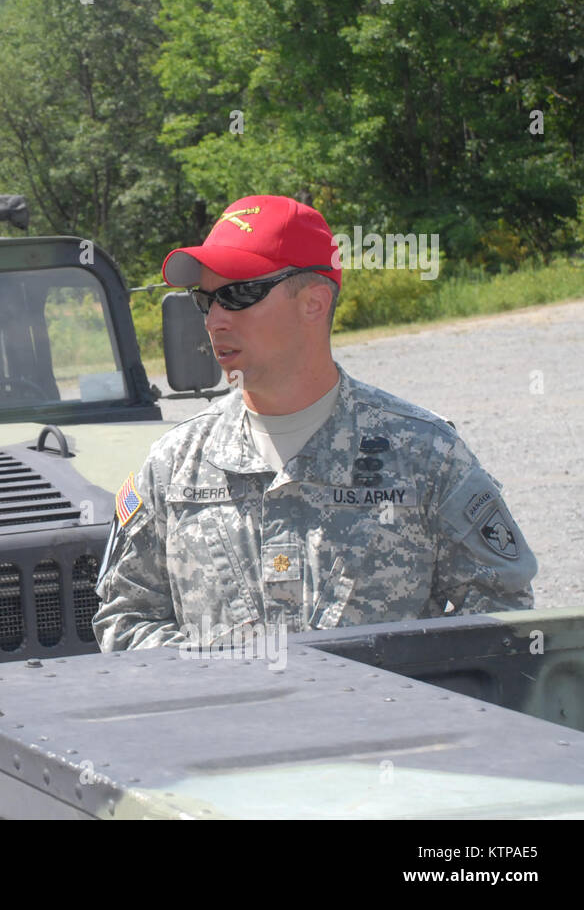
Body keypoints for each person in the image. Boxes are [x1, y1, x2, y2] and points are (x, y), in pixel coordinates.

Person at [94, 194, 537, 651]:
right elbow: (126, 615)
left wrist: (400, 701)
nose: (215, 320)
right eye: (205, 300)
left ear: (314, 303)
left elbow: (502, 610)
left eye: (239, 294)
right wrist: (217, 685)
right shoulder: (175, 464)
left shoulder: (424, 455)